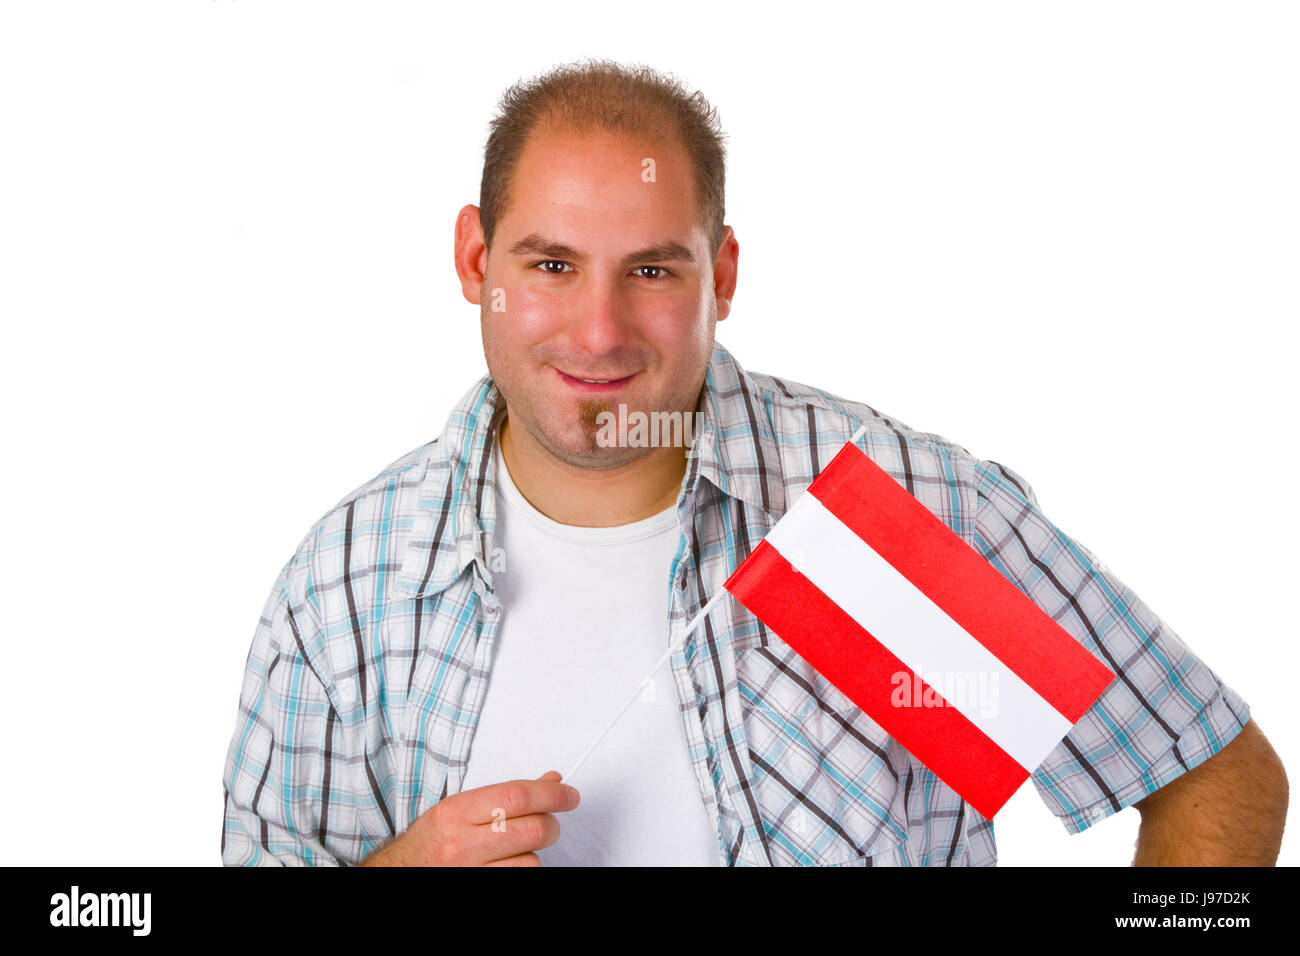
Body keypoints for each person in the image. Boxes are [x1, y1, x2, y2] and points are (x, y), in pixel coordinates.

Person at [220, 59, 1287, 867]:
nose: (598, 332)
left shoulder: (878, 521)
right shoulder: (349, 588)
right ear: (472, 260)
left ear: (721, 274)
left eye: (652, 268)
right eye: (550, 264)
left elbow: (1203, 774)